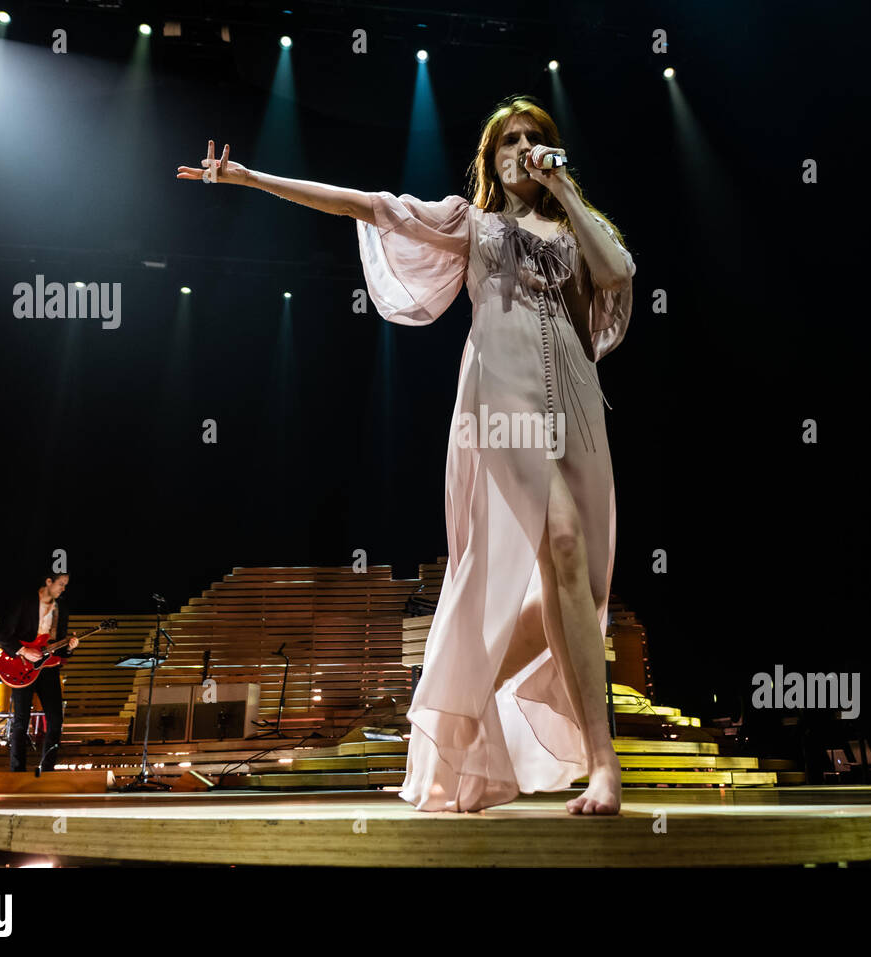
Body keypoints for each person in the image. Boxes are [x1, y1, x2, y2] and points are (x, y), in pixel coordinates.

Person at [177, 95, 635, 814]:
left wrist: (567, 191)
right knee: (566, 543)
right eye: (508, 140)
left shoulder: (575, 225)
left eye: (533, 138)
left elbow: (615, 272)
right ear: (490, 158)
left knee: (578, 586)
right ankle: (604, 765)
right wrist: (256, 180)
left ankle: (457, 688)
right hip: (504, 394)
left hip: (575, 400)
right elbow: (368, 205)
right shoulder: (472, 224)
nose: (521, 148)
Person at [0, 571, 80, 772]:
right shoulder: (25, 602)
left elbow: (59, 648)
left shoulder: (61, 609)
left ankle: (47, 769)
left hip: (48, 668)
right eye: (61, 583)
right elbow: (1, 633)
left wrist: (69, 647)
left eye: (66, 585)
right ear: (48, 582)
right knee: (20, 721)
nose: (63, 588)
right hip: (21, 665)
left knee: (56, 719)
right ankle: (17, 770)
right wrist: (24, 650)